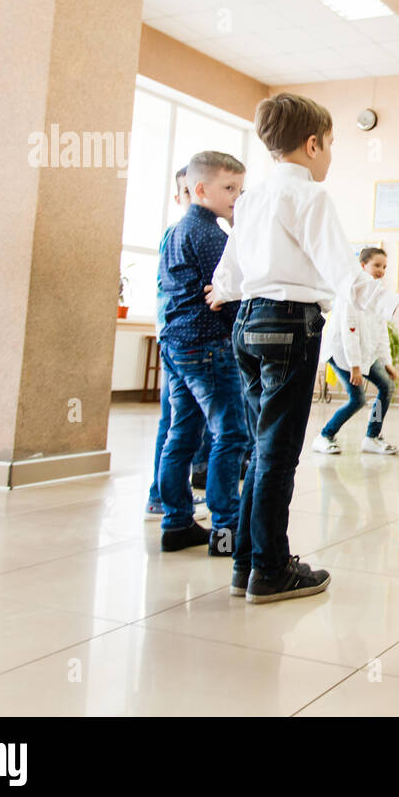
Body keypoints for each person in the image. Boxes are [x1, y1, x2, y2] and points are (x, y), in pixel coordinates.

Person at [208, 93, 399, 603]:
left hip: (247, 324)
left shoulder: (251, 199)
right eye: (330, 144)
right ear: (312, 145)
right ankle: (270, 569)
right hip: (289, 325)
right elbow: (344, 274)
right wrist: (394, 304)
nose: (330, 154)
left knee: (261, 451)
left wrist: (225, 292)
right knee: (279, 456)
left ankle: (246, 564)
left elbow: (228, 279)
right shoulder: (309, 198)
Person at [156, 152, 248, 555]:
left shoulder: (176, 231)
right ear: (200, 189)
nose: (236, 197)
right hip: (208, 345)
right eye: (229, 189)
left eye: (240, 190)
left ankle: (176, 523)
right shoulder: (212, 235)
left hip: (175, 343)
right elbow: (228, 296)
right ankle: (226, 531)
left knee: (182, 434)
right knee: (230, 434)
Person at [146, 166, 210, 519]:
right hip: (181, 339)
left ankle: (169, 494)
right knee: (175, 421)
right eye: (188, 193)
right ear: (180, 197)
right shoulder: (182, 233)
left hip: (177, 337)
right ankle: (161, 497)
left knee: (180, 421)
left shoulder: (189, 233)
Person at [312, 246, 399, 456]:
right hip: (342, 354)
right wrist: (355, 367)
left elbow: (381, 332)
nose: (381, 270)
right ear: (362, 266)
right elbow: (348, 332)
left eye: (384, 267)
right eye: (376, 265)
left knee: (386, 387)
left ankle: (372, 437)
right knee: (358, 399)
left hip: (364, 355)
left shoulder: (376, 292)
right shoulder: (350, 291)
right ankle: (325, 435)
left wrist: (387, 362)